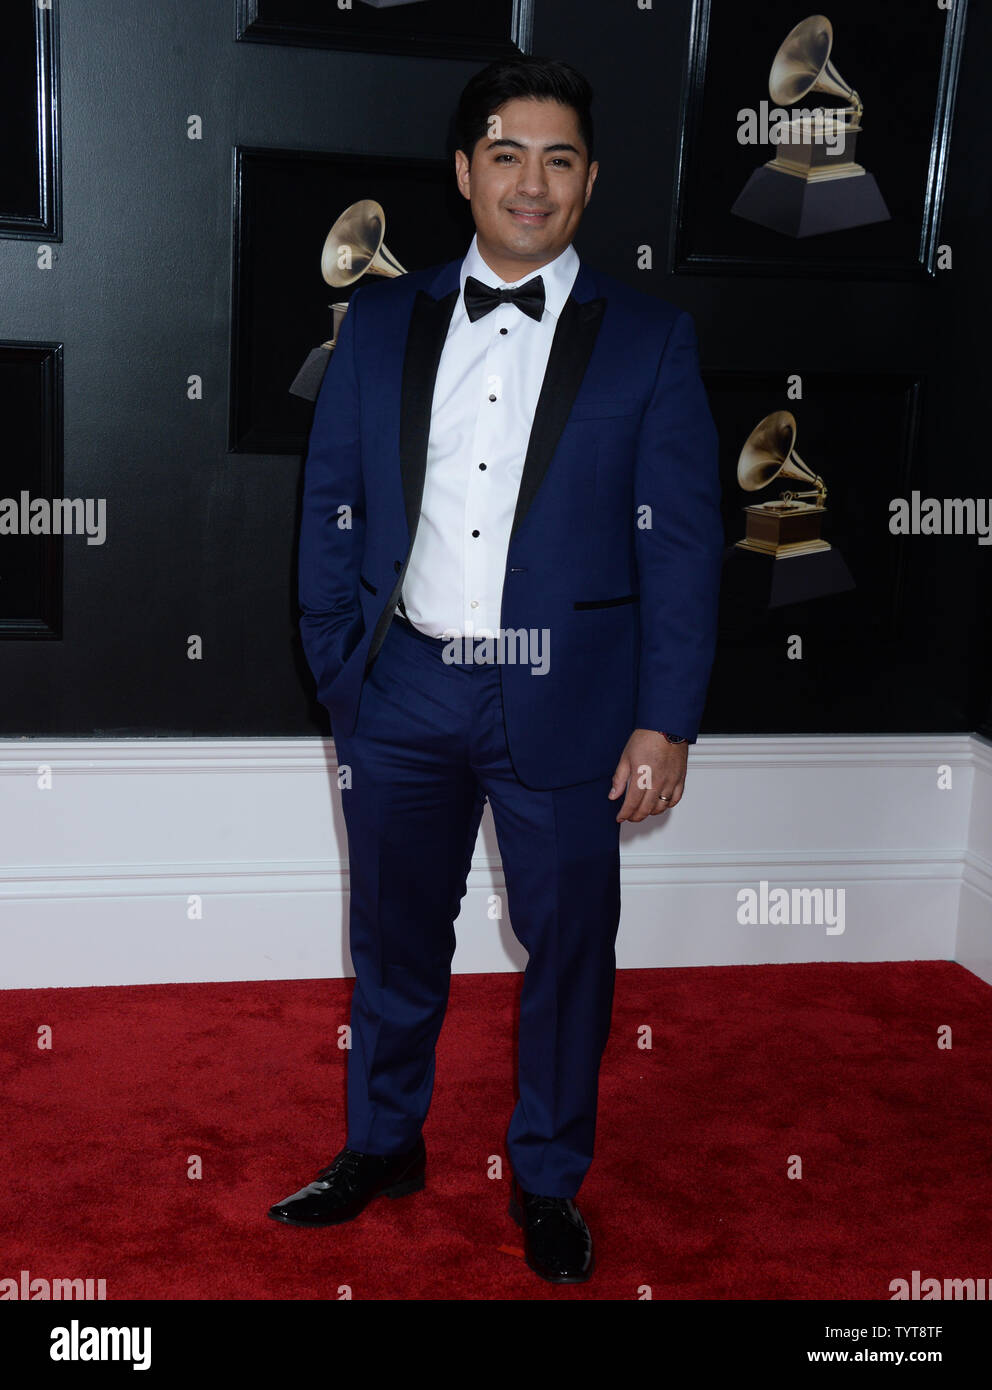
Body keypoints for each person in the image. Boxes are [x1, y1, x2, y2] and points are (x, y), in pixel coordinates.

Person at [268, 54, 724, 1286]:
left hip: (572, 703)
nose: (532, 182)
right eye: (507, 154)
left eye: (559, 159)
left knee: (569, 947)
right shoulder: (376, 323)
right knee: (392, 938)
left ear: (588, 183)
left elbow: (682, 548)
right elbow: (329, 514)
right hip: (403, 690)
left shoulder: (651, 340)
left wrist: (664, 719)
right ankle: (382, 1145)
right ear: (466, 172)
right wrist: (343, 682)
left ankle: (547, 1178)